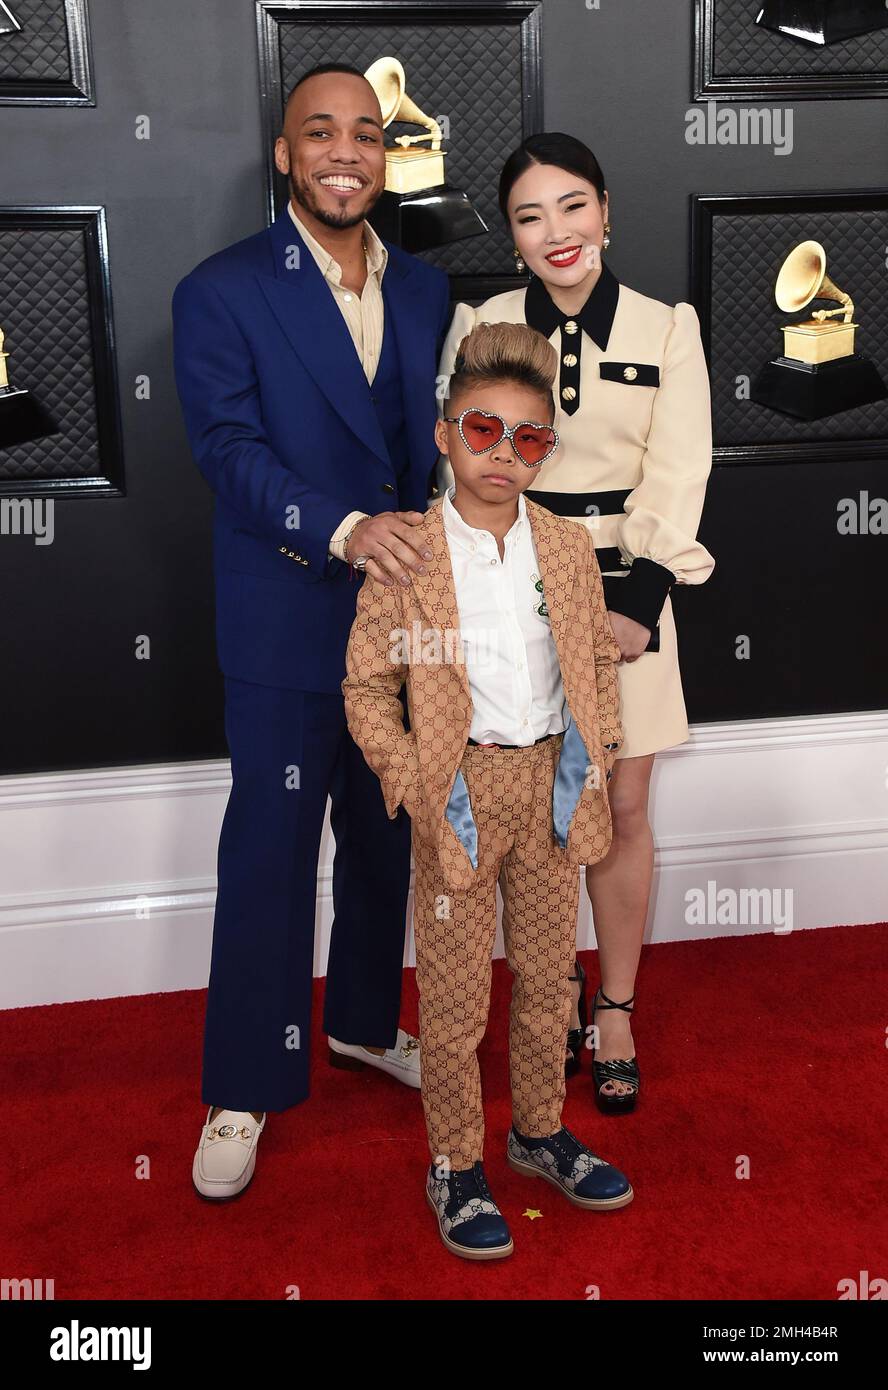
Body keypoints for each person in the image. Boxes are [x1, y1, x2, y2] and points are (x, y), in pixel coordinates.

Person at [172, 63, 451, 1201]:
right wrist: (338, 529)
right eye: (320, 133)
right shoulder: (220, 289)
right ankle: (243, 1081)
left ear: (386, 156)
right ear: (283, 155)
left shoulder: (428, 289)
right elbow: (226, 451)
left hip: (401, 623)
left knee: (389, 836)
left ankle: (365, 1026)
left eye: (367, 135)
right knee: (273, 856)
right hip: (288, 610)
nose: (347, 151)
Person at [437, 133, 715, 1112]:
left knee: (623, 809)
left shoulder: (664, 326)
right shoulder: (484, 323)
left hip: (632, 602)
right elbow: (466, 469)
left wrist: (638, 606)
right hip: (518, 598)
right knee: (537, 818)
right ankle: (552, 994)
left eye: (571, 206)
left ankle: (618, 1009)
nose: (556, 231)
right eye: (529, 215)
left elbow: (680, 470)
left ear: (605, 210)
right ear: (512, 237)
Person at [343, 321, 633, 1261]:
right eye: (482, 430)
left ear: (547, 451)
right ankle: (456, 1163)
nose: (504, 454)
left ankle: (538, 1131)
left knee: (551, 977)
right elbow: (366, 688)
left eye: (530, 439)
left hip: (553, 784)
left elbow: (593, 656)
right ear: (443, 434)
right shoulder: (411, 554)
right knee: (459, 995)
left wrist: (604, 750)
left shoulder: (569, 547)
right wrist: (415, 780)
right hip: (458, 792)